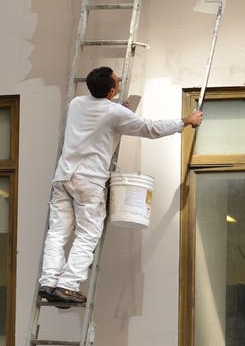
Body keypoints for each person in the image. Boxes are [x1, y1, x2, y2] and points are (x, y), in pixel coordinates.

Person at [39, 66, 203, 306]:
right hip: (89, 180)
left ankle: (48, 282)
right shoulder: (114, 113)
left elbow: (100, 118)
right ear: (112, 91)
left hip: (63, 177)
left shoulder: (76, 104)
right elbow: (149, 128)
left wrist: (119, 110)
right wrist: (185, 121)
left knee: (58, 232)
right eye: (116, 82)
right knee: (87, 233)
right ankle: (67, 285)